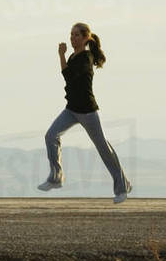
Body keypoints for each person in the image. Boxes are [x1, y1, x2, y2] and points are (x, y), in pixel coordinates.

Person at [38, 22, 132, 204]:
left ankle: (122, 187)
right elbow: (69, 79)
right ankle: (56, 177)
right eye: (71, 35)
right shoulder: (73, 56)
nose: (72, 38)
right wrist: (65, 56)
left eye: (76, 35)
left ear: (85, 38)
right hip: (72, 109)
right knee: (51, 136)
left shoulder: (86, 58)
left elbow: (68, 76)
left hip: (88, 112)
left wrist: (60, 55)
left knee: (104, 149)